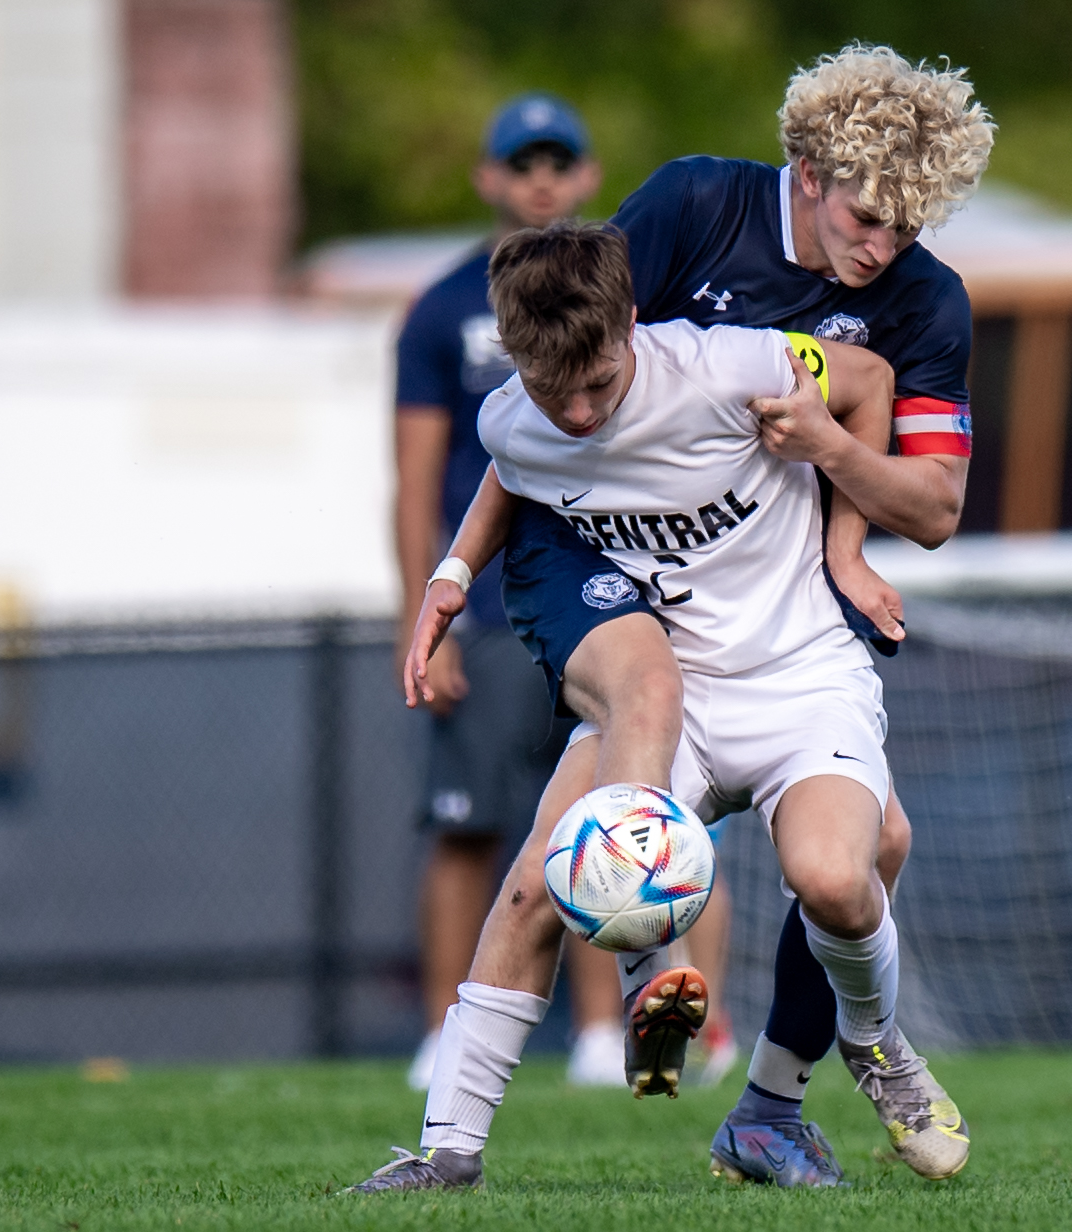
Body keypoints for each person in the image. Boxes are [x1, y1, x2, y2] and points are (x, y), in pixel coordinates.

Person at [405, 44, 991, 1186]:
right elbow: (562, 369)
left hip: (775, 616)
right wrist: (449, 577)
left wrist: (840, 525)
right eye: (869, 217)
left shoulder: (902, 308)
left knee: (865, 853)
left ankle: (803, 1080)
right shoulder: (690, 211)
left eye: (909, 229)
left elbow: (932, 496)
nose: (884, 249)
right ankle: (461, 1135)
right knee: (558, 844)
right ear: (809, 168)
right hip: (595, 559)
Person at [394, 93, 630, 1088]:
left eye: (558, 160)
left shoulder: (622, 289)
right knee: (467, 823)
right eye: (522, 162)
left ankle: (606, 1036)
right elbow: (415, 480)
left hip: (610, 593)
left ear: (586, 176)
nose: (541, 179)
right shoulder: (445, 308)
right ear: (490, 177)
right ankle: (446, 1030)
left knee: (609, 817)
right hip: (493, 611)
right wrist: (428, 615)